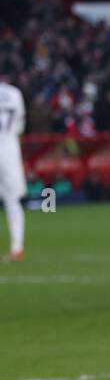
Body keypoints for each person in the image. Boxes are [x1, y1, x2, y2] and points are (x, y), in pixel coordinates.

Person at [0, 76, 26, 261]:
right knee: (13, 199)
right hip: (9, 149)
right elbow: (20, 126)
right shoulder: (15, 93)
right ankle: (17, 247)